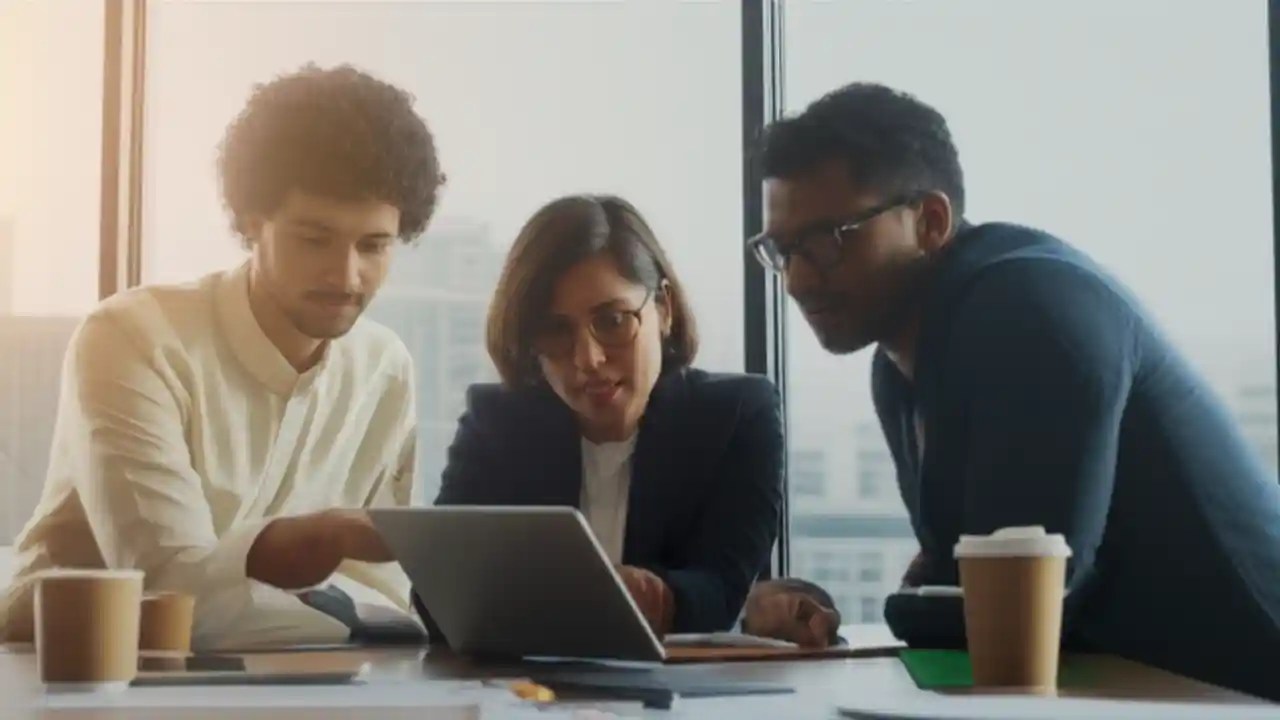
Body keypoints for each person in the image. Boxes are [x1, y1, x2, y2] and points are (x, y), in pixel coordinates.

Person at [749, 82, 1280, 699]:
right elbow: (961, 591)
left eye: (826, 243)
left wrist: (913, 602)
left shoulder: (1027, 311)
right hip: (1130, 686)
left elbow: (1019, 613)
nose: (797, 281)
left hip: (1242, 688)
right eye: (781, 251)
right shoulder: (898, 368)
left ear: (931, 221)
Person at [0, 64, 445, 650]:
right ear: (249, 222)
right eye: (314, 240)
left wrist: (339, 594)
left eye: (373, 246)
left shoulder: (383, 368)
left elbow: (382, 598)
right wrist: (316, 555)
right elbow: (172, 598)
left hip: (305, 677)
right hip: (79, 671)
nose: (346, 275)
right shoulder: (134, 338)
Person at [425, 194, 838, 645]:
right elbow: (437, 600)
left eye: (614, 320)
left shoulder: (737, 416)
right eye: (555, 331)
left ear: (663, 308)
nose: (589, 358)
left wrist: (658, 596)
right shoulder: (498, 422)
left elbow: (722, 589)